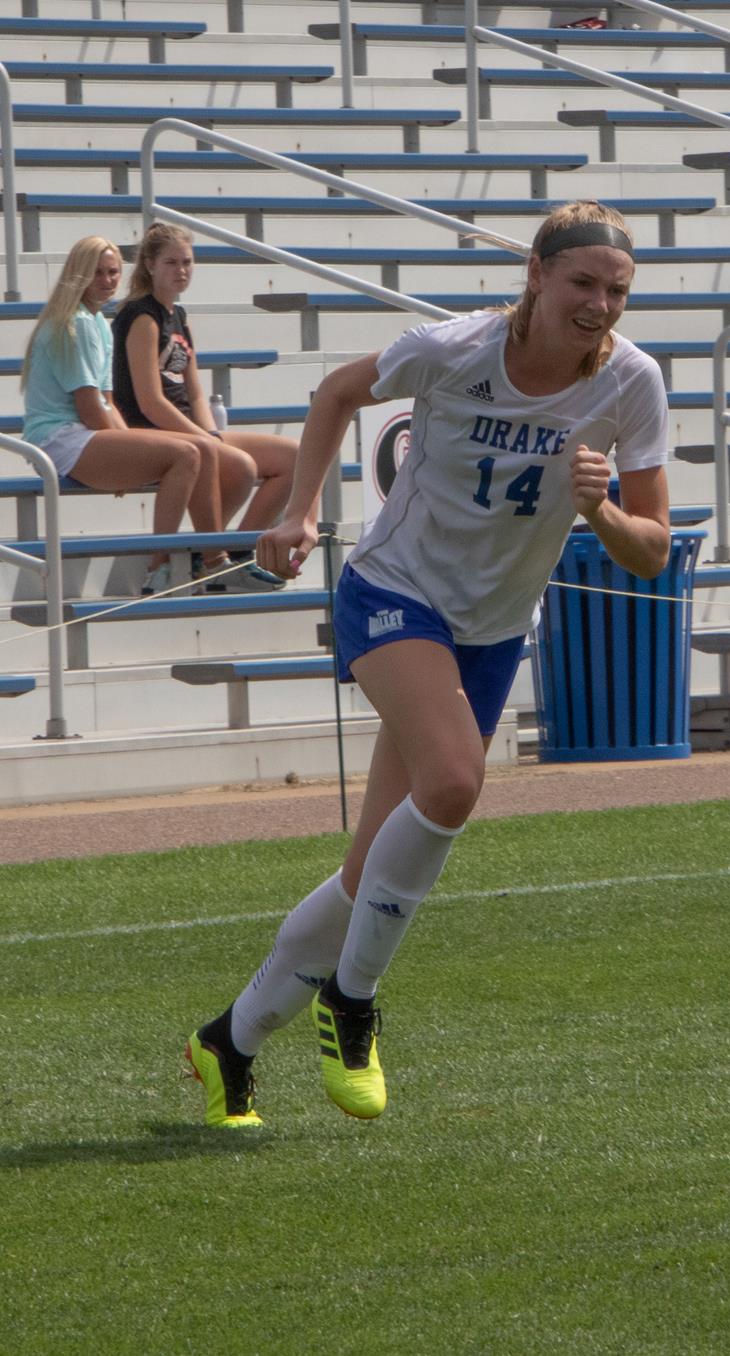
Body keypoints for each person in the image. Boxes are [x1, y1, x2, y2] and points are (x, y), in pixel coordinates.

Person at [181, 201, 673, 1129]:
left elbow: (651, 550)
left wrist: (602, 514)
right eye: (582, 283)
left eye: (616, 289)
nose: (600, 304)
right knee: (454, 782)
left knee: (368, 875)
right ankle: (354, 1000)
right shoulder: (450, 349)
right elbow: (335, 393)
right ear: (536, 273)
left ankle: (228, 1044)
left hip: (489, 632)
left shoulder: (633, 383)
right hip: (393, 593)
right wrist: (296, 510)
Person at [17, 237, 231, 595]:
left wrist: (128, 450)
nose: (107, 280)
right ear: (77, 275)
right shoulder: (76, 323)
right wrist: (126, 452)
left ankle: (215, 561)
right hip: (60, 439)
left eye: (113, 272)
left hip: (81, 434)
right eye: (96, 272)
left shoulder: (97, 322)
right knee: (189, 452)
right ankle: (162, 569)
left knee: (202, 448)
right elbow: (89, 410)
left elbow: (108, 403)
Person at [111, 223, 292, 592]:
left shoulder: (179, 316)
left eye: (187, 263)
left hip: (188, 426)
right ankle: (214, 558)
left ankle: (237, 551)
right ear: (149, 265)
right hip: (152, 430)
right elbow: (149, 401)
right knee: (240, 466)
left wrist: (210, 433)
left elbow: (195, 394)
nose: (181, 271)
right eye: (171, 262)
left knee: (294, 457)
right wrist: (206, 441)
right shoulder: (141, 316)